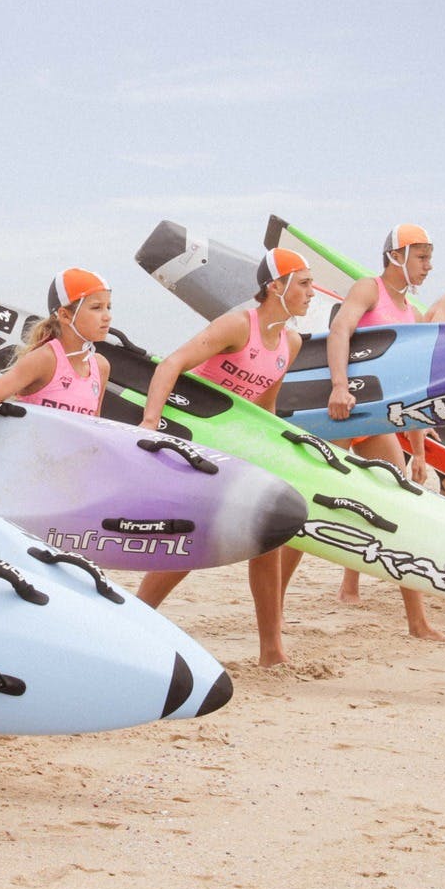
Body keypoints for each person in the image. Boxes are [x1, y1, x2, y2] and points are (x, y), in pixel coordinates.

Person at [134, 250, 315, 665]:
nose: (310, 294)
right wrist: (150, 422)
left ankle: (272, 650)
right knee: (194, 541)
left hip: (237, 447)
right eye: (302, 284)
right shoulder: (237, 325)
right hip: (196, 441)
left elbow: (263, 409)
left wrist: (277, 452)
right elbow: (172, 365)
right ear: (275, 287)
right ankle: (136, 618)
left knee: (269, 537)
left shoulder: (291, 341)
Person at [289, 225, 445, 640]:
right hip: (340, 414)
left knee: (401, 509)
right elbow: (339, 331)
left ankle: (418, 621)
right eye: (422, 257)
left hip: (376, 423)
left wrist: (419, 452)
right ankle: (276, 606)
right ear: (397, 255)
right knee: (309, 510)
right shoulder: (368, 289)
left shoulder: (410, 311)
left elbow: (404, 386)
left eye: (430, 257)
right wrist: (339, 386)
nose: (428, 266)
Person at [0, 268, 112, 499]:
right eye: (96, 307)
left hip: (67, 481)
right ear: (65, 315)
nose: (107, 316)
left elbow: (94, 428)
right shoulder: (45, 359)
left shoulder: (100, 366)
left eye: (108, 307)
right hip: (26, 477)